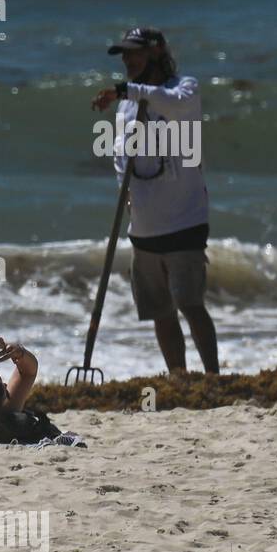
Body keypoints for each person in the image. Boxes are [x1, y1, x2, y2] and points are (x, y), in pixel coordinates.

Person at [91, 26, 219, 374]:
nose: (128, 61)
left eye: (135, 53)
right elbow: (120, 156)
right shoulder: (127, 108)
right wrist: (126, 194)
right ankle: (178, 377)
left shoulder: (184, 89)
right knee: (160, 311)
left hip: (185, 220)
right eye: (125, 56)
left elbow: (168, 102)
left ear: (157, 51)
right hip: (144, 226)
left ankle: (212, 378)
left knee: (190, 304)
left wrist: (124, 91)